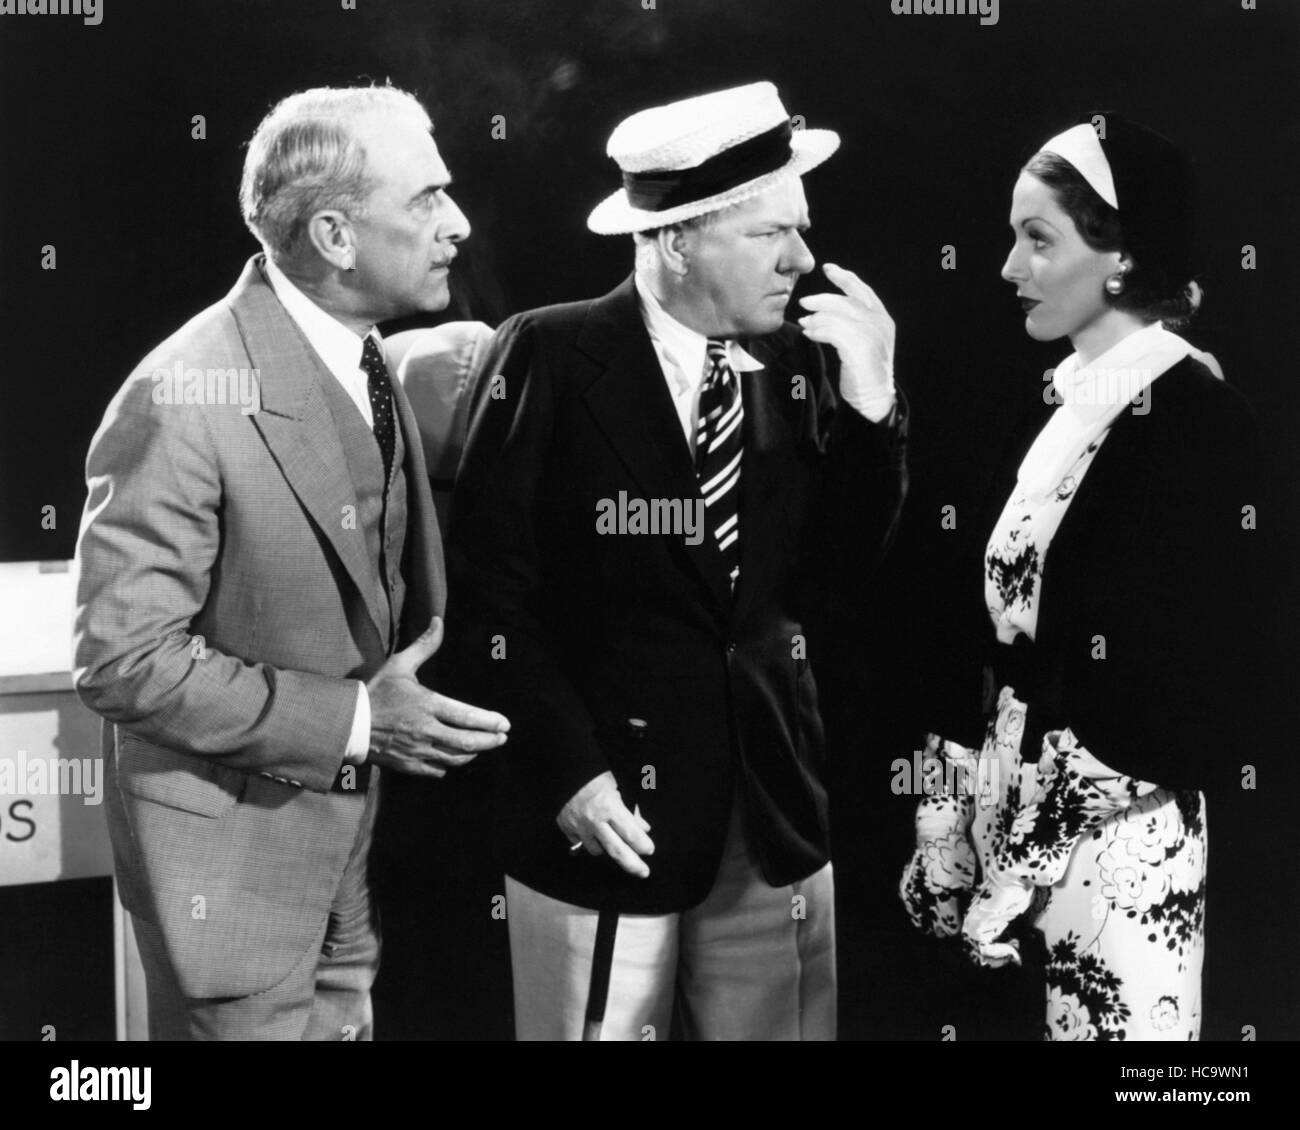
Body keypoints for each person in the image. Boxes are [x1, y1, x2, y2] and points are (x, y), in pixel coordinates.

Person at [447, 81, 908, 1040]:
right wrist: (569, 776)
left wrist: (874, 412)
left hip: (772, 820)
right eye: (769, 234)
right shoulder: (548, 354)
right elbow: (488, 603)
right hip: (605, 825)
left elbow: (836, 586)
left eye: (802, 228)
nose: (804, 258)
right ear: (677, 240)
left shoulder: (800, 362)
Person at [73, 84, 510, 1040]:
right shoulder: (182, 396)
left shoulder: (369, 360)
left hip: (347, 871)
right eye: (427, 199)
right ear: (335, 236)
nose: (459, 223)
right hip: (233, 894)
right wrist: (360, 719)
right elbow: (122, 661)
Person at [900, 112, 1271, 1040]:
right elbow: (981, 621)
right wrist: (952, 809)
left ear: (1119, 256)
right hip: (1009, 804)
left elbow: (1190, 684)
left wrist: (1029, 853)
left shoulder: (1197, 418)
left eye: (1038, 239)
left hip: (1118, 840)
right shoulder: (1066, 405)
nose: (1008, 268)